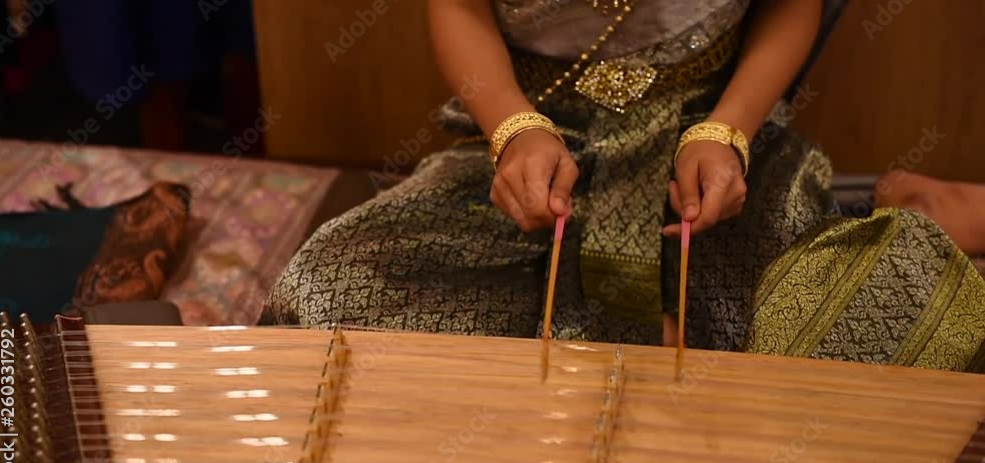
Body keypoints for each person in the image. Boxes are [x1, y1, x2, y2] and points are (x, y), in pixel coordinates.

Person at [263, 0, 984, 373]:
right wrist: (513, 128)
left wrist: (727, 132)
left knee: (850, 325)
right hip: (541, 125)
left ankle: (898, 217)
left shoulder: (722, 134)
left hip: (711, 133)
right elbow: (457, 7)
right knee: (326, 300)